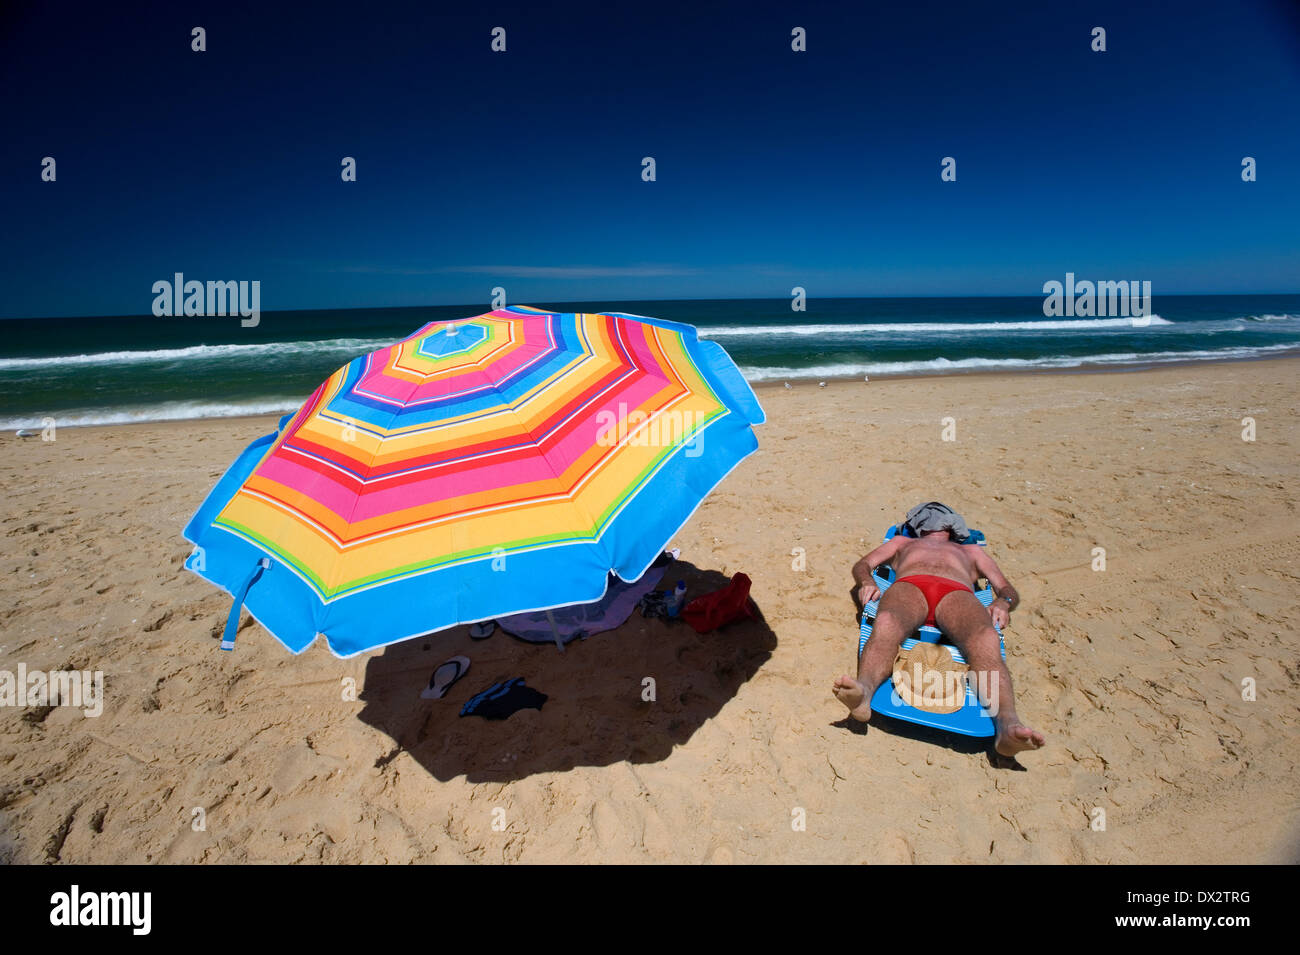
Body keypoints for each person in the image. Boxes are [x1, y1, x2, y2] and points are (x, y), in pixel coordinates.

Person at [832, 503, 1045, 757]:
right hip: (910, 586)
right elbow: (863, 565)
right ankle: (864, 693)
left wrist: (1003, 602)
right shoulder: (902, 542)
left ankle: (1007, 725)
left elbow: (1006, 589)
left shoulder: (971, 551)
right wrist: (866, 581)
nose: (934, 515)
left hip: (957, 594)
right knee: (887, 620)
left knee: (986, 638)